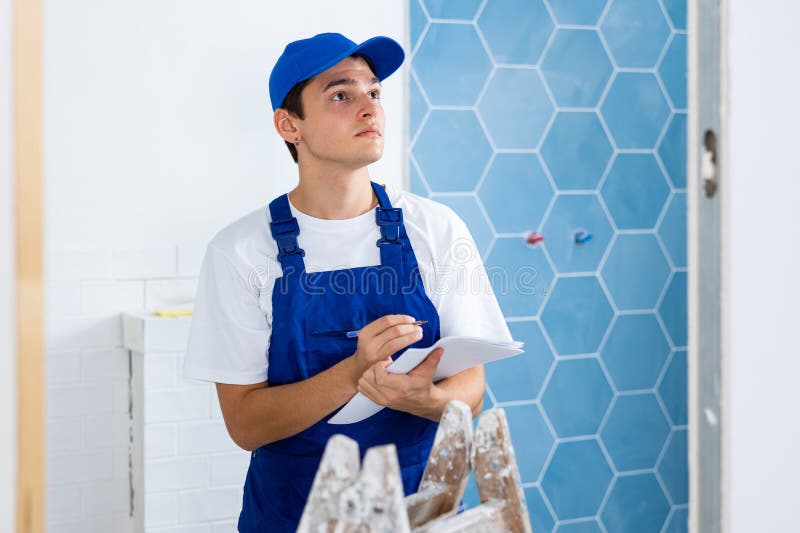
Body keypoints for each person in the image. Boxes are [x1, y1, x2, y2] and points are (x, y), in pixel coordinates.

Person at [182, 32, 511, 532]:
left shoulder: (437, 229)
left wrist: (423, 399)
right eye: (341, 94)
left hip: (420, 516)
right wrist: (355, 371)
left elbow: (471, 389)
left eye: (374, 92)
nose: (369, 108)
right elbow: (246, 425)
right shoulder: (240, 252)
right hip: (291, 519)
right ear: (289, 125)